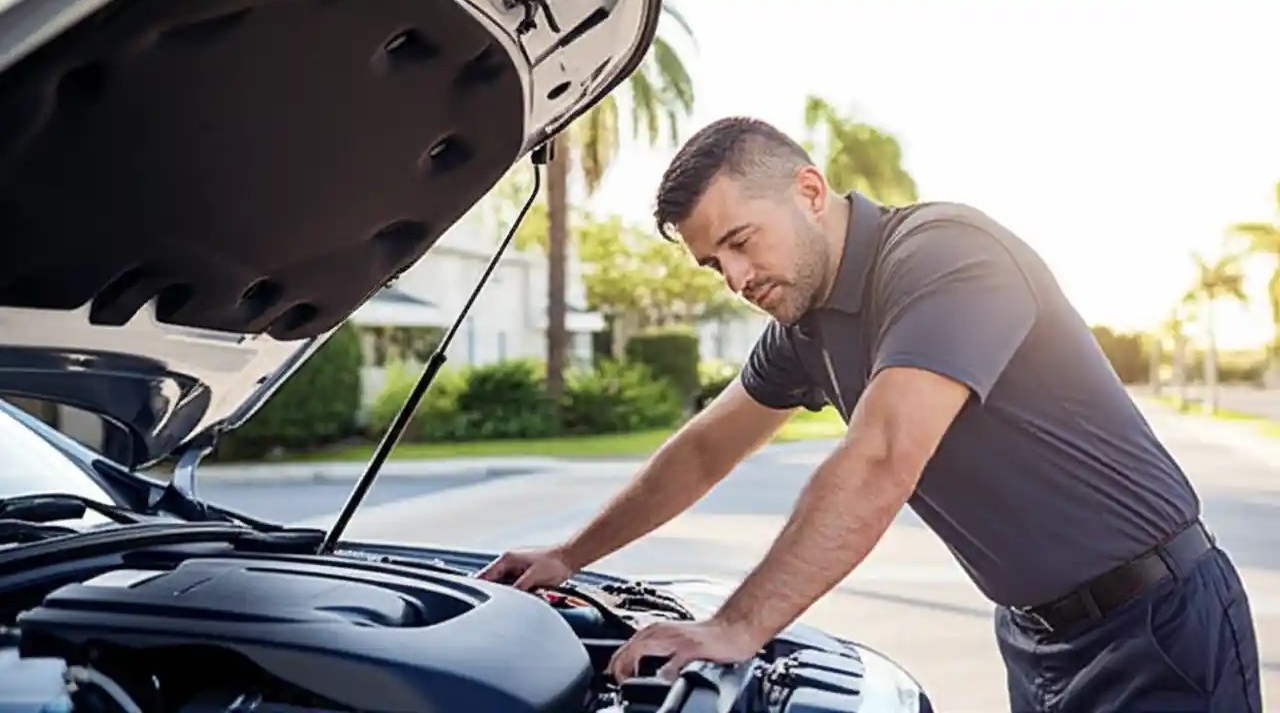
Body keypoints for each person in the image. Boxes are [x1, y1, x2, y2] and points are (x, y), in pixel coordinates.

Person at [476, 116, 1262, 712]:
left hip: (1156, 624)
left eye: (743, 242)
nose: (737, 279)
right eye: (717, 262)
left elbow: (883, 453)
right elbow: (704, 450)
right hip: (1035, 637)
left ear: (809, 193)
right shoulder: (804, 325)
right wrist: (569, 556)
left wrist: (737, 626)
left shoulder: (942, 255)